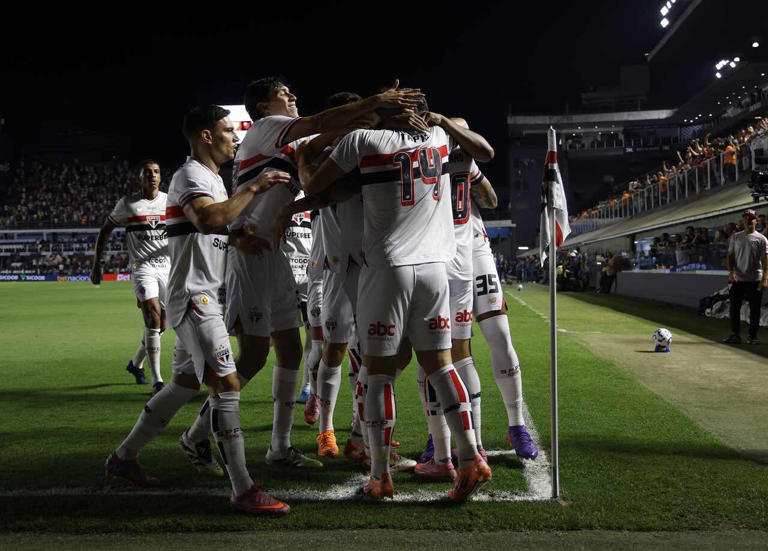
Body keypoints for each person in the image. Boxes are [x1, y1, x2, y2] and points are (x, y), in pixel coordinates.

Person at [179, 77, 425, 471]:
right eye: (284, 93)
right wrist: (374, 100)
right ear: (263, 106)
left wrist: (374, 117)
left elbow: (319, 138)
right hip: (251, 253)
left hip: (271, 253)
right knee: (254, 357)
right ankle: (194, 437)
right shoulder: (264, 128)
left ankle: (280, 447)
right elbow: (321, 122)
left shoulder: (285, 143)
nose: (293, 97)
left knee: (292, 351)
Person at [302, 100, 494, 501]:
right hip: (435, 269)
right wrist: (441, 119)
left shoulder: (363, 140)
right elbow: (483, 151)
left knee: (378, 373)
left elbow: (315, 186)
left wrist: (305, 157)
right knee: (441, 367)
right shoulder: (439, 136)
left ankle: (378, 477)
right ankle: (471, 456)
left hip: (387, 268)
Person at [106, 105, 293, 516]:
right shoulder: (190, 176)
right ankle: (243, 488)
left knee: (183, 386)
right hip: (195, 296)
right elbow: (208, 219)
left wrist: (239, 235)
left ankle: (124, 457)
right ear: (205, 136)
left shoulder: (213, 180)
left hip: (203, 293)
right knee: (226, 386)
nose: (234, 137)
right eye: (227, 130)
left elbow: (212, 229)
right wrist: (256, 188)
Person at [91, 160, 169, 393]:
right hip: (142, 267)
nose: (152, 176)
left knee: (163, 325)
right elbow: (106, 230)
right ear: (140, 178)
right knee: (153, 318)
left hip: (168, 267)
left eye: (156, 172)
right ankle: (158, 381)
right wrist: (97, 264)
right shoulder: (127, 204)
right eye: (147, 173)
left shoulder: (169, 201)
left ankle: (135, 364)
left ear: (160, 177)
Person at [723, 209, 768, 345]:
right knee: (734, 309)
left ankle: (752, 337)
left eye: (751, 218)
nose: (748, 220)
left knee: (755, 310)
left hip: (755, 280)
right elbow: (730, 256)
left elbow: (766, 261)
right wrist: (731, 273)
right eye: (745, 218)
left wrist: (765, 279)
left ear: (756, 221)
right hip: (738, 280)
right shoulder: (735, 237)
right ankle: (735, 335)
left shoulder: (761, 239)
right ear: (742, 220)